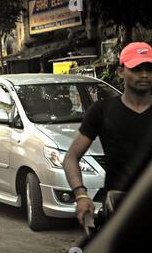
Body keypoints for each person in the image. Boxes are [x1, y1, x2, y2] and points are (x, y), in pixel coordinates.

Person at [63, 42, 152, 227]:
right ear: (120, 71)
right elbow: (71, 157)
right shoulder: (102, 111)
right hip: (117, 208)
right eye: (136, 69)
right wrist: (80, 195)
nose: (144, 75)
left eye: (149, 69)